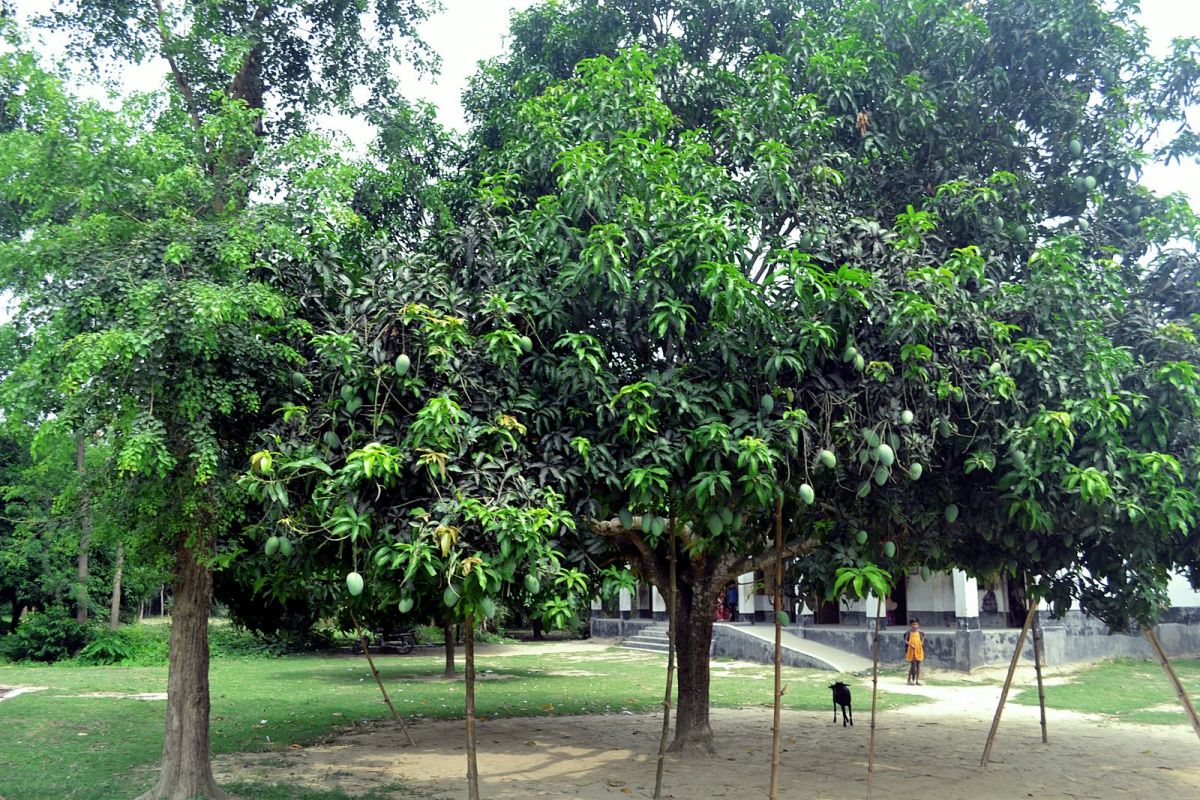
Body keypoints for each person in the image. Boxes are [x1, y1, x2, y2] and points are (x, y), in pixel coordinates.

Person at [904, 618, 925, 685]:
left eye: (916, 624)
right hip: (911, 650)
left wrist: (922, 642)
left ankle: (917, 680)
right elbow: (905, 640)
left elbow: (924, 635)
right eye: (913, 624)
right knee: (913, 666)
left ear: (918, 625)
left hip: (919, 649)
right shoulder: (909, 632)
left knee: (918, 666)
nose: (915, 626)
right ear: (911, 625)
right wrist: (910, 645)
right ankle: (909, 680)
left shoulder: (920, 632)